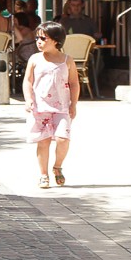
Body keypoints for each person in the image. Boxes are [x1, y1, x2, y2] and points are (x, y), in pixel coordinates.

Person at [25, 21, 81, 189]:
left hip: (61, 107)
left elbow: (74, 83)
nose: (39, 41)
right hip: (40, 107)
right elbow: (28, 81)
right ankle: (43, 175)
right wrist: (28, 99)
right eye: (37, 38)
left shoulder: (67, 60)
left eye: (43, 38)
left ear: (56, 40)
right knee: (43, 141)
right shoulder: (35, 59)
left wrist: (73, 104)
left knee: (63, 139)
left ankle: (57, 166)